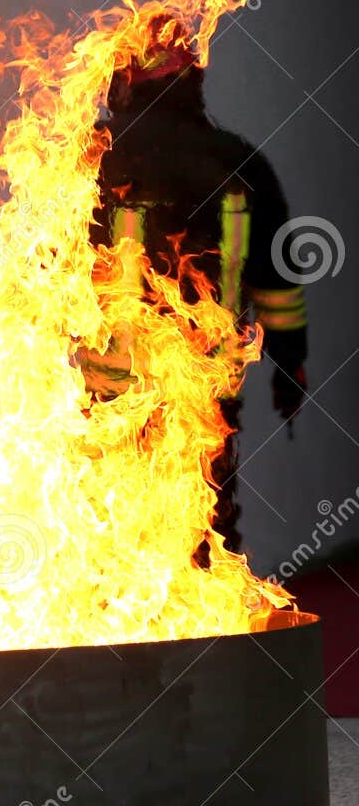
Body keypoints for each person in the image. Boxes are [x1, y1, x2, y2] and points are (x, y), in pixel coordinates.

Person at [91, 27, 309, 553]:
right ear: (194, 79)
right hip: (210, 387)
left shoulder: (94, 158)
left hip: (104, 389)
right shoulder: (239, 163)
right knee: (204, 519)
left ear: (124, 82)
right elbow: (277, 281)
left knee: (101, 524)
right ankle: (204, 625)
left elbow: (45, 272)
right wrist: (288, 365)